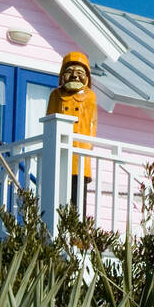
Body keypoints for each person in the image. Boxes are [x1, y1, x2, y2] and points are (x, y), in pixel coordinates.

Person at [46, 51, 97, 210]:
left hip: (79, 153)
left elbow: (92, 124)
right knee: (57, 192)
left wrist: (87, 146)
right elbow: (50, 119)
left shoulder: (89, 96)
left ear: (87, 76)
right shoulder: (56, 95)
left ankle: (76, 227)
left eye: (80, 72)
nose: (75, 76)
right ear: (62, 75)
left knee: (77, 195)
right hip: (59, 151)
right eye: (69, 71)